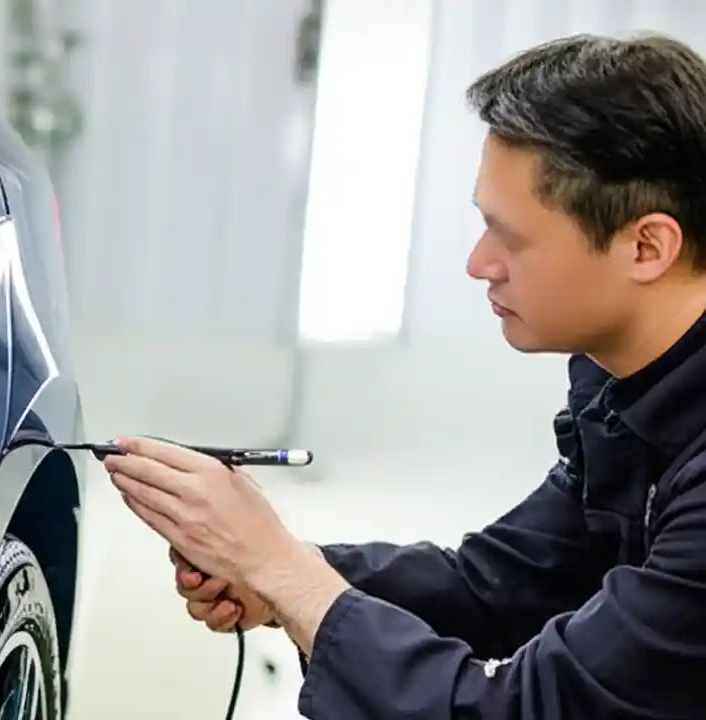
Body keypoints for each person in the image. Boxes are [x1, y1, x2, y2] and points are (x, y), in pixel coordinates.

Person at [105, 32, 706, 718]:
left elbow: (523, 710)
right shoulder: (624, 395)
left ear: (647, 245)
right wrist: (284, 571)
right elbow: (500, 584)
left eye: (511, 237)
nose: (479, 263)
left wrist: (285, 573)